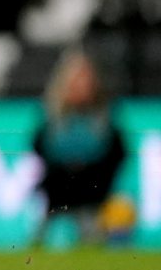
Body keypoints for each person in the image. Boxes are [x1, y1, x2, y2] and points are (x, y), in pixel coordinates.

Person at [31, 49, 127, 246]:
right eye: (76, 80)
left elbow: (118, 153)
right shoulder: (53, 116)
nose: (81, 85)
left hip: (93, 184)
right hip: (59, 183)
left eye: (85, 80)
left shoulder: (104, 115)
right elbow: (39, 146)